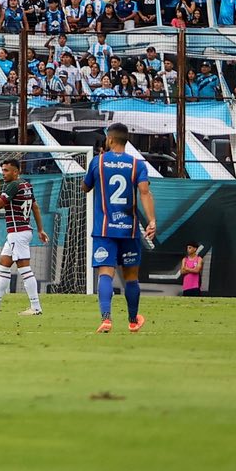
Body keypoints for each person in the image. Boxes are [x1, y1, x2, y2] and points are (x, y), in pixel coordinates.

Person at [86, 122, 156, 334]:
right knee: (131, 277)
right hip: (130, 229)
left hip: (104, 229)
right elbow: (144, 192)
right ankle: (133, 321)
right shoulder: (137, 164)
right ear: (126, 140)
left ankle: (106, 319)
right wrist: (152, 220)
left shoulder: (97, 162)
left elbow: (85, 187)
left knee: (105, 273)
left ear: (109, 140)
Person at [0, 157, 46, 316]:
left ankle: (36, 307)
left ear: (16, 172)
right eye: (2, 170)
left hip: (18, 233)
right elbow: (35, 207)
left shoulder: (13, 185)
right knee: (4, 264)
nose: (3, 173)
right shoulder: (26, 185)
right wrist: (40, 229)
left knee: (24, 269)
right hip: (19, 233)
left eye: (6, 170)